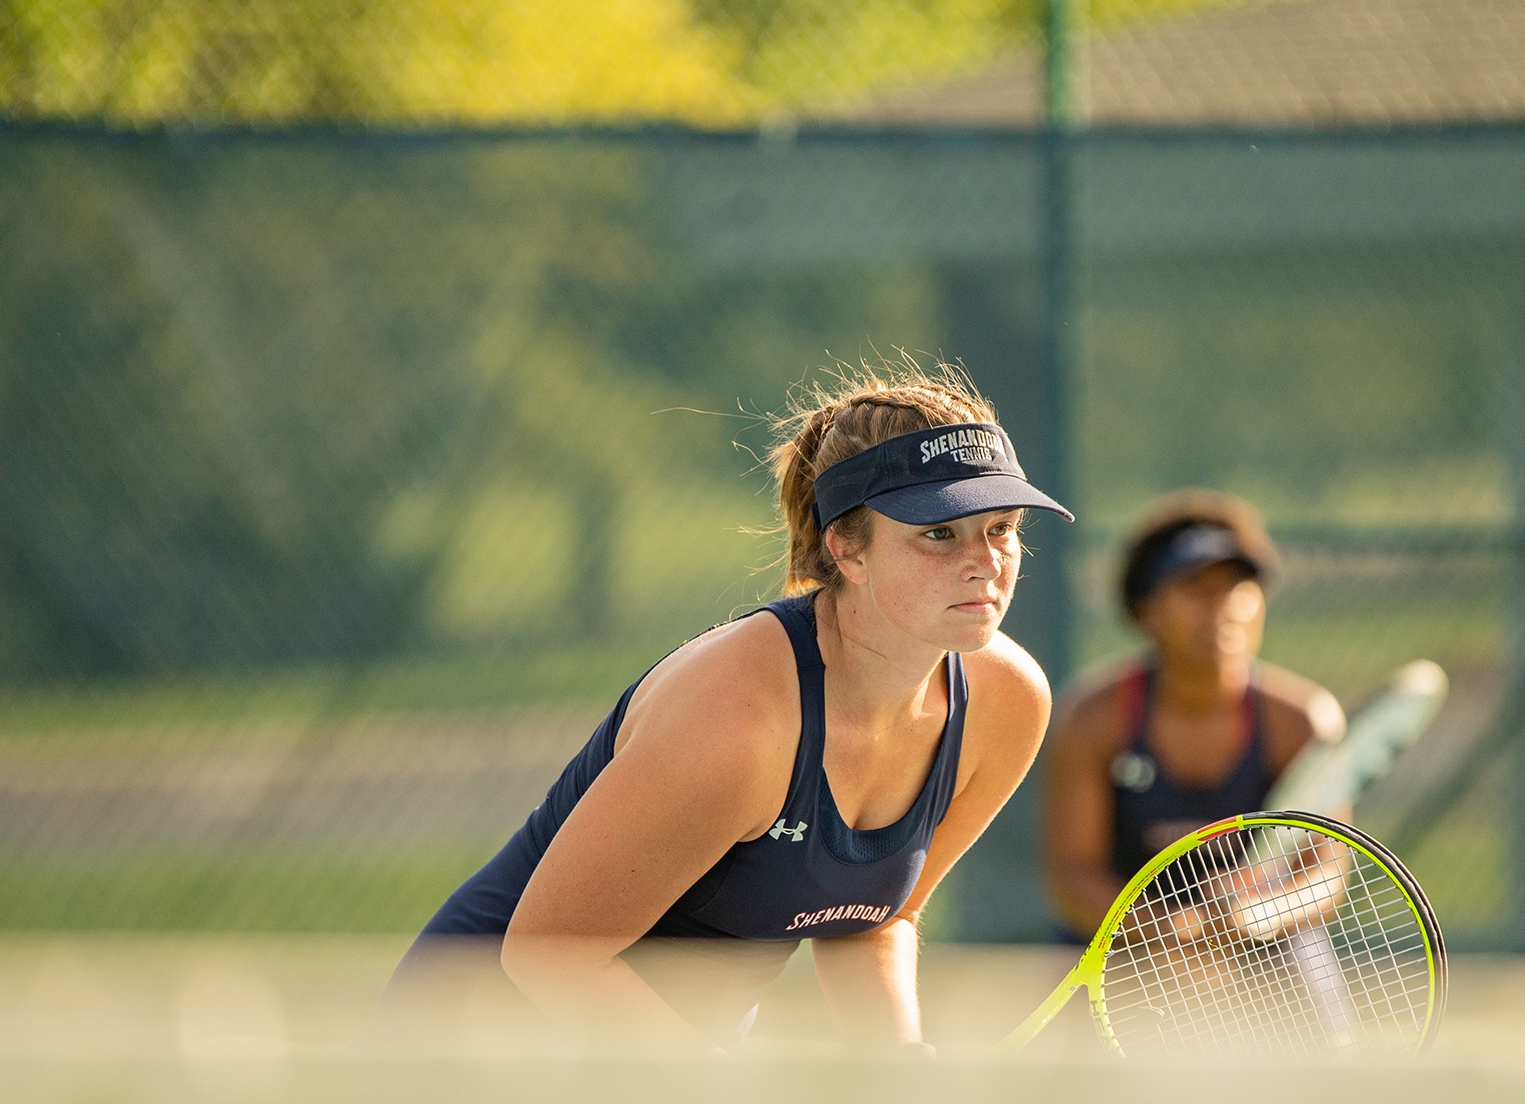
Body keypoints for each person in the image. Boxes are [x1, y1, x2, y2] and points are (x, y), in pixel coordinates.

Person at [376, 365, 1070, 1055]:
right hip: (470, 1048)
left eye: (1002, 527)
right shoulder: (739, 720)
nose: (985, 561)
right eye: (939, 534)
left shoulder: (1007, 703)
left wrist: (893, 1060)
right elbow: (548, 954)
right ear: (846, 549)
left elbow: (875, 916)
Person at [1041, 490, 1345, 943]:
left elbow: (1325, 872)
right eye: (1196, 587)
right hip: (1123, 946)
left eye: (1238, 586)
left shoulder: (1303, 721)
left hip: (1266, 947)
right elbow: (1074, 877)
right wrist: (1167, 934)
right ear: (1145, 611)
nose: (1223, 605)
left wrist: (1256, 917)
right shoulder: (1091, 721)